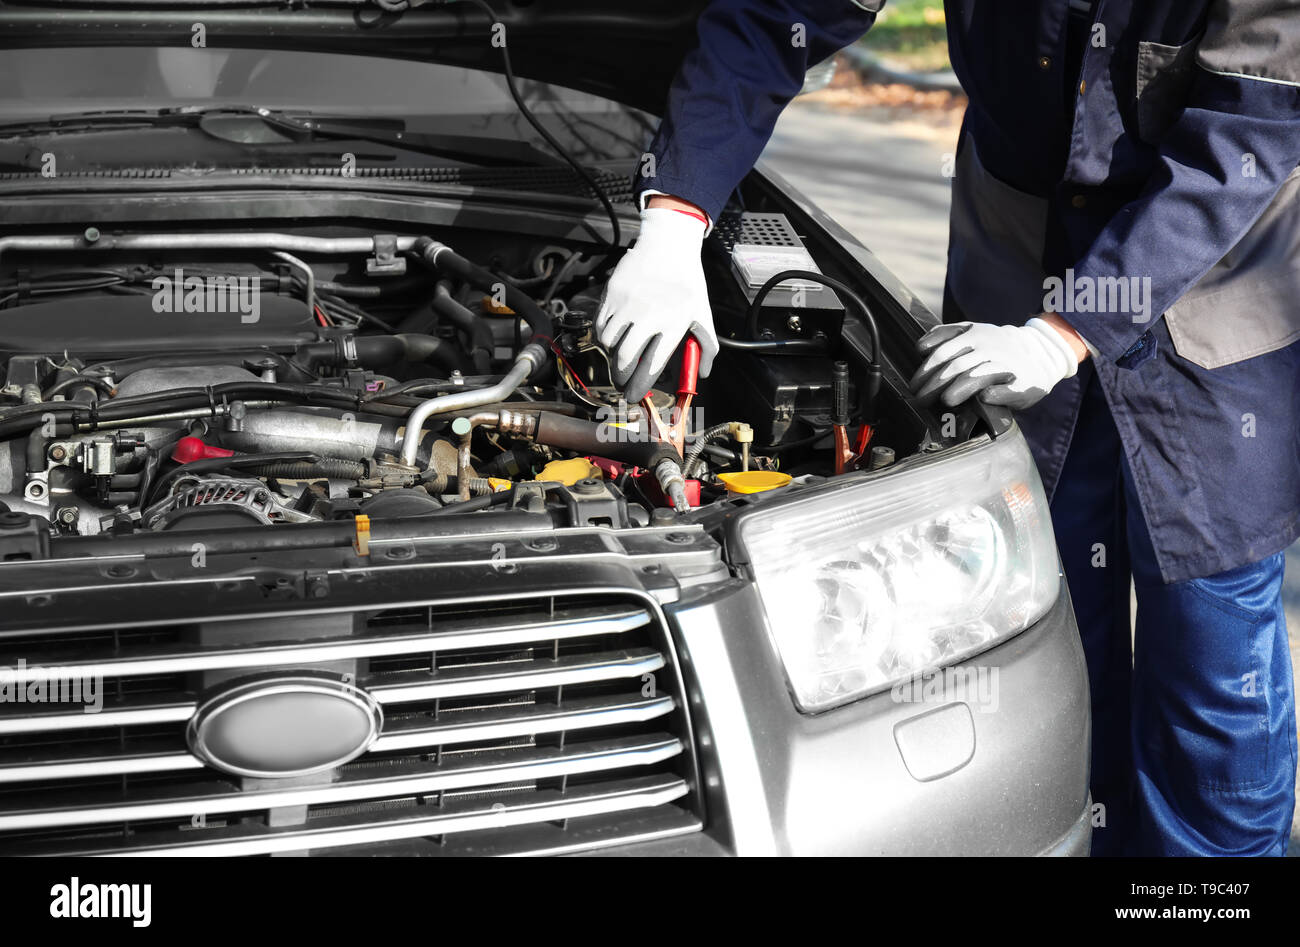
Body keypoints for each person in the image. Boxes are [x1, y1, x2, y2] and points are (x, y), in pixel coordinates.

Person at [597, 0, 1300, 856]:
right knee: (1050, 642)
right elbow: (773, 21)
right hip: (1013, 288)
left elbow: (1243, 141)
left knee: (1212, 671)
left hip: (1210, 307)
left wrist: (1069, 330)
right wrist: (673, 222)